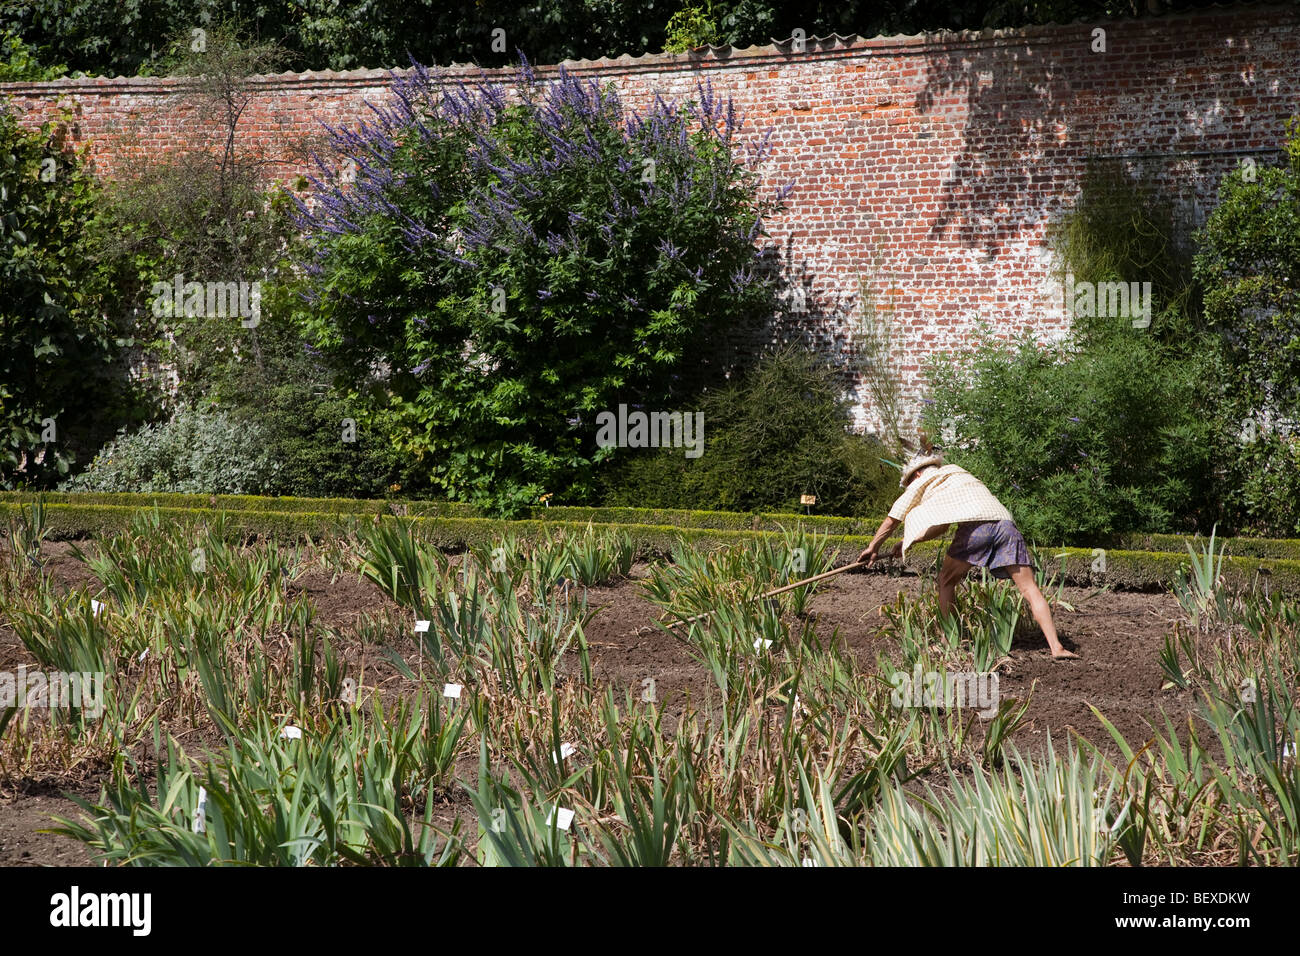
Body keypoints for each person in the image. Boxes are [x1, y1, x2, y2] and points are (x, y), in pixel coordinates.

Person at [858, 439, 1079, 660]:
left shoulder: (922, 481)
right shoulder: (957, 474)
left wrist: (872, 547)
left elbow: (892, 518)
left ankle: (949, 641)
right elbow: (942, 526)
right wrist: (910, 541)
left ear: (916, 475)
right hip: (1005, 524)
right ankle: (1057, 648)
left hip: (977, 527)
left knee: (945, 580)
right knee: (1030, 589)